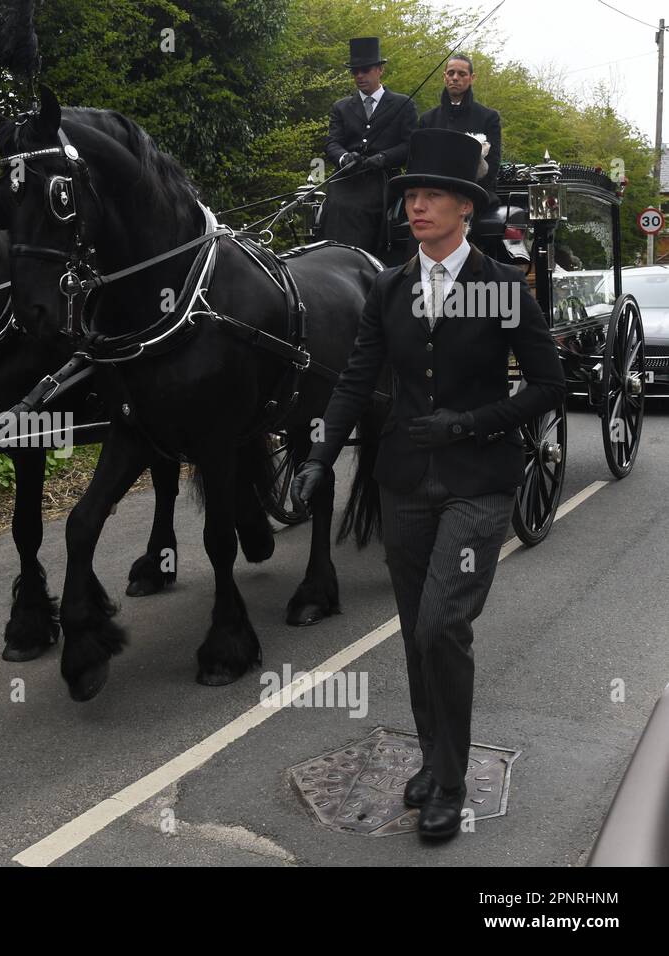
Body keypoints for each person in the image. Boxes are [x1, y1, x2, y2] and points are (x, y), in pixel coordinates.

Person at [290, 128, 566, 841]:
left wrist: (469, 422)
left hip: (479, 484)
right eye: (411, 195)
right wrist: (319, 453)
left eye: (431, 195)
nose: (416, 206)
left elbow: (548, 387)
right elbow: (355, 378)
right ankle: (435, 754)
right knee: (416, 632)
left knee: (444, 623)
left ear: (464, 209)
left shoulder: (503, 289)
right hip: (405, 481)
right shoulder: (389, 288)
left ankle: (448, 780)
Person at [321, 37, 418, 258]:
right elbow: (332, 142)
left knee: (360, 209)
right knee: (334, 205)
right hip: (347, 178)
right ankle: (332, 260)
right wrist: (345, 158)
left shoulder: (403, 104)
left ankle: (362, 261)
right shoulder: (342, 107)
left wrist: (384, 157)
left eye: (364, 70)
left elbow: (410, 145)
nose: (359, 76)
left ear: (380, 70)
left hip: (382, 179)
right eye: (354, 72)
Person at [418, 54, 501, 203]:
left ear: (472, 78)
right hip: (433, 196)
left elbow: (493, 164)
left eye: (462, 74)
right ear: (444, 77)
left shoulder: (489, 117)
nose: (455, 78)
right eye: (451, 73)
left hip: (475, 195)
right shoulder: (427, 119)